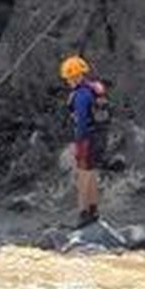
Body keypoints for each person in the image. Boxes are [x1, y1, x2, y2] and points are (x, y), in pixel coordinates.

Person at [60, 55, 105, 227]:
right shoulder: (94, 90)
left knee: (83, 175)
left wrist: (78, 142)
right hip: (99, 137)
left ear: (75, 76)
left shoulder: (81, 95)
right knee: (91, 173)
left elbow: (81, 121)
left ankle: (83, 214)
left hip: (86, 139)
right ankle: (93, 211)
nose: (68, 81)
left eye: (69, 78)